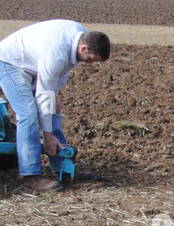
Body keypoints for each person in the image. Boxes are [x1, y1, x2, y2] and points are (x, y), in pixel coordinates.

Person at [0, 20, 109, 192]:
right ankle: (31, 176)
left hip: (33, 64)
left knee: (53, 109)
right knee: (28, 114)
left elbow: (54, 83)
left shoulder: (82, 36)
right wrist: (48, 136)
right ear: (84, 48)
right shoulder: (56, 53)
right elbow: (44, 94)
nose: (89, 63)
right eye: (90, 59)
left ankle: (62, 167)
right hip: (10, 63)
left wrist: (51, 105)